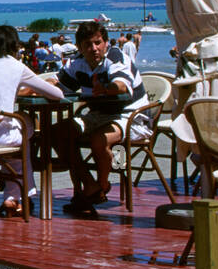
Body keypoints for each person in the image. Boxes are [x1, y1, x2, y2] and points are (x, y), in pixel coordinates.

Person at [51, 21, 150, 213]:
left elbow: (121, 85)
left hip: (131, 116)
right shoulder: (77, 62)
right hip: (99, 114)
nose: (93, 48)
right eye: (88, 44)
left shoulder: (115, 58)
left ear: (106, 43)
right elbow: (60, 85)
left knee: (99, 140)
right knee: (58, 132)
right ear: (80, 46)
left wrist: (105, 88)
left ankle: (102, 185)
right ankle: (90, 185)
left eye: (98, 43)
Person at [0, 24, 63, 216]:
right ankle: (15, 195)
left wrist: (22, 90)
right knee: (27, 125)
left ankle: (11, 191)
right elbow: (57, 95)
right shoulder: (16, 66)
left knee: (20, 128)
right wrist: (47, 83)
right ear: (12, 46)